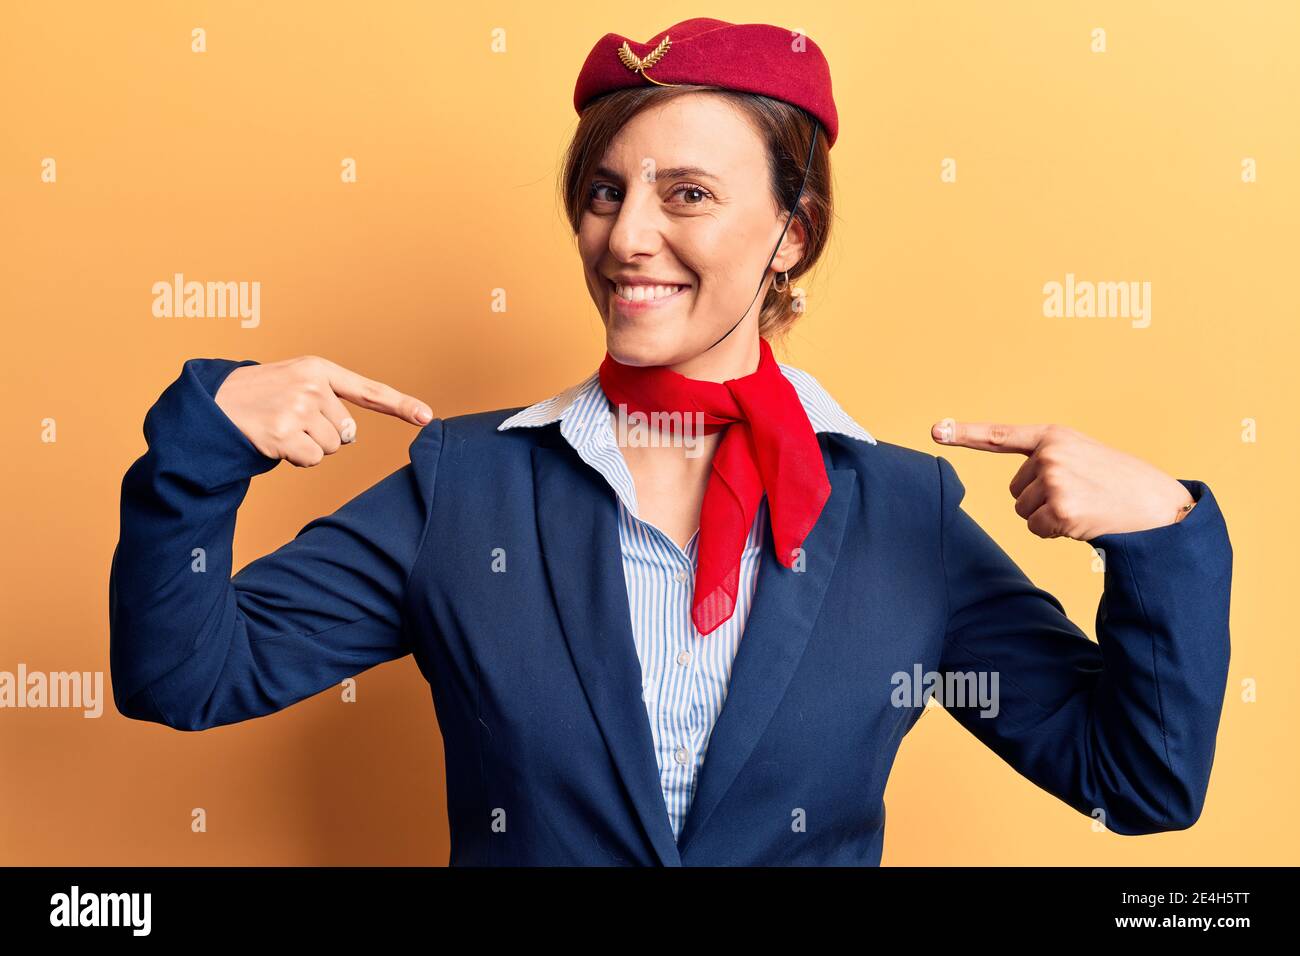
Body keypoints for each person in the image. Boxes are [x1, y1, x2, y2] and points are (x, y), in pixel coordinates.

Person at [109, 17, 1232, 866]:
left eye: (686, 192)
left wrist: (1161, 536)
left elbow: (1132, 779)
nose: (626, 235)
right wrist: (203, 451)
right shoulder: (469, 486)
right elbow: (186, 675)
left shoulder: (906, 516)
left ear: (792, 234)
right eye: (604, 190)